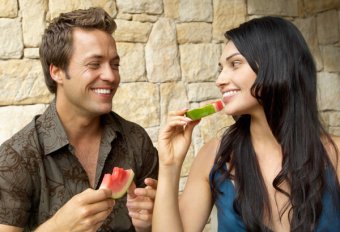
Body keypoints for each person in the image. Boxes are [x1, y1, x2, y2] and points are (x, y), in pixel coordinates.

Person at [153, 16, 340, 232]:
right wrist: (169, 165)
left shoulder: (335, 155)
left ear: (275, 65)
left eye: (235, 64)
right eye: (221, 68)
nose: (220, 80)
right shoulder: (214, 156)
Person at [0, 7, 158, 232]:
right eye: (94, 64)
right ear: (57, 72)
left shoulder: (137, 140)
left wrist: (152, 224)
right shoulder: (16, 158)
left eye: (115, 65)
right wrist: (57, 227)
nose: (111, 76)